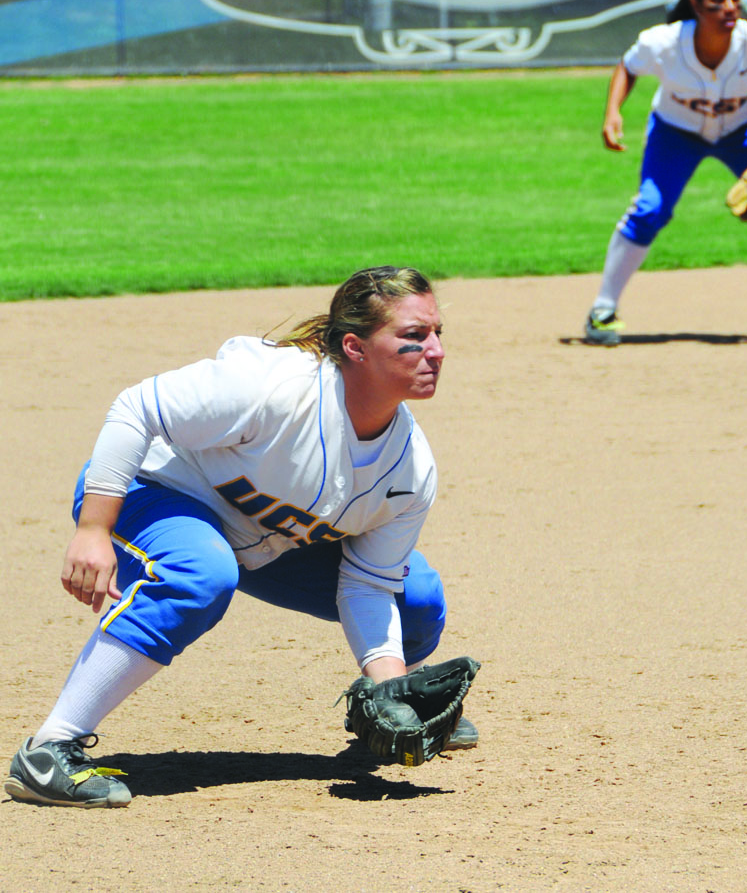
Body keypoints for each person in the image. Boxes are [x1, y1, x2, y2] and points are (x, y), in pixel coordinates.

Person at [4, 265, 477, 808]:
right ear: (355, 347)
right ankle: (49, 749)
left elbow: (369, 585)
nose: (436, 351)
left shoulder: (409, 470)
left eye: (438, 334)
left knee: (414, 596)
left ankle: (388, 713)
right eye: (414, 337)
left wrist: (388, 689)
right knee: (202, 572)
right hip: (149, 491)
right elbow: (137, 409)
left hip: (263, 540)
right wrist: (93, 527)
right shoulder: (274, 387)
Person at [584, 0, 747, 346]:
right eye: (717, 2)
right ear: (695, 5)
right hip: (676, 131)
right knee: (649, 208)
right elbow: (627, 66)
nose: (728, 8)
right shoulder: (664, 42)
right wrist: (612, 112)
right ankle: (602, 311)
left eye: (734, 1)